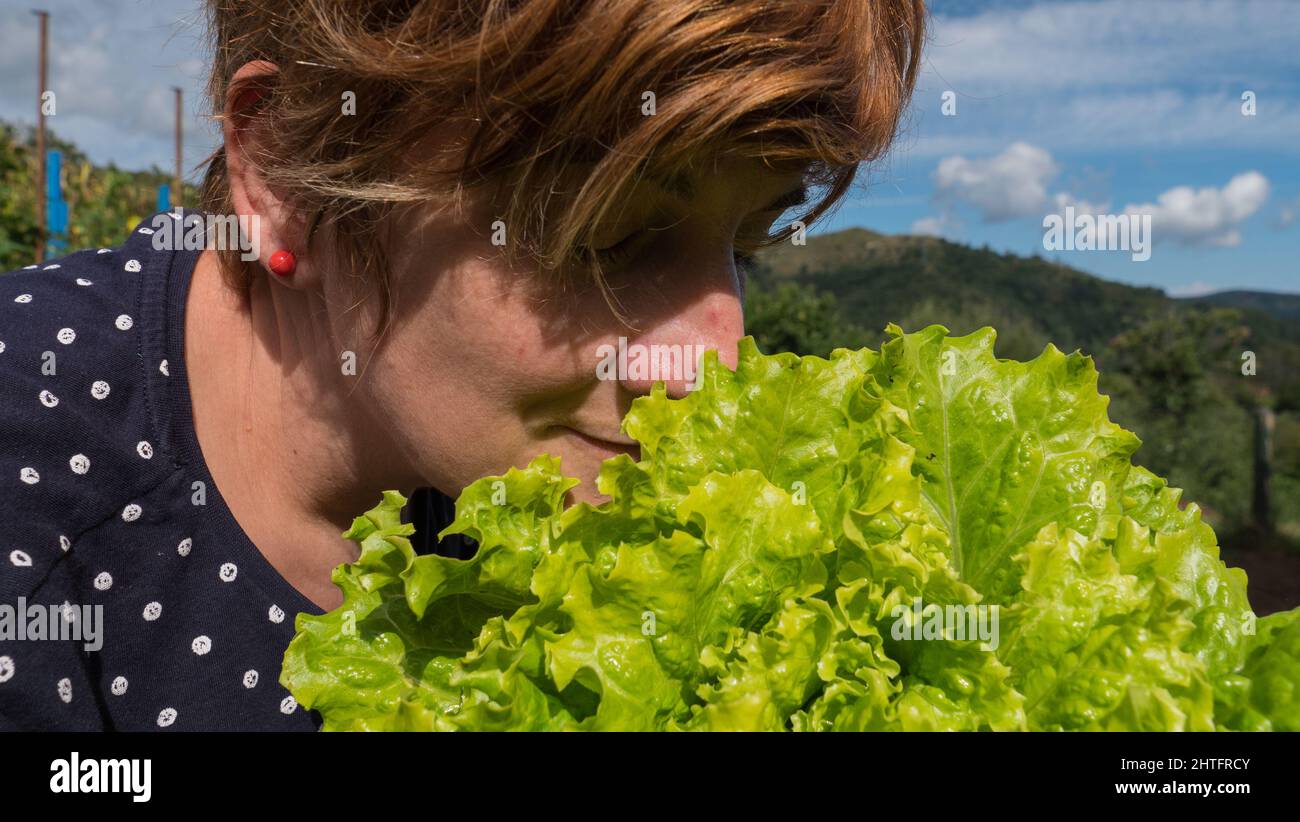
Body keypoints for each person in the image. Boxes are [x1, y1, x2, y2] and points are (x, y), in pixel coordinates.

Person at [0, 0, 924, 730]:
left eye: (749, 244)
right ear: (283, 168)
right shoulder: (33, 491)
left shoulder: (556, 476)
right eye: (610, 237)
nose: (718, 364)